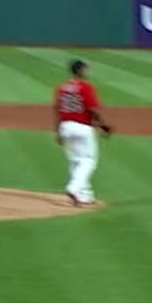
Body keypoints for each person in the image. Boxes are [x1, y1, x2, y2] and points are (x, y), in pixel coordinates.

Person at [53, 60, 112, 206]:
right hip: (82, 127)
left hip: (65, 127)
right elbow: (93, 109)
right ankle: (73, 188)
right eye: (85, 69)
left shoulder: (62, 88)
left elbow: (58, 111)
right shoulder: (85, 87)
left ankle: (84, 195)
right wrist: (103, 125)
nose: (87, 72)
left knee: (75, 161)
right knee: (88, 161)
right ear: (79, 70)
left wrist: (58, 131)